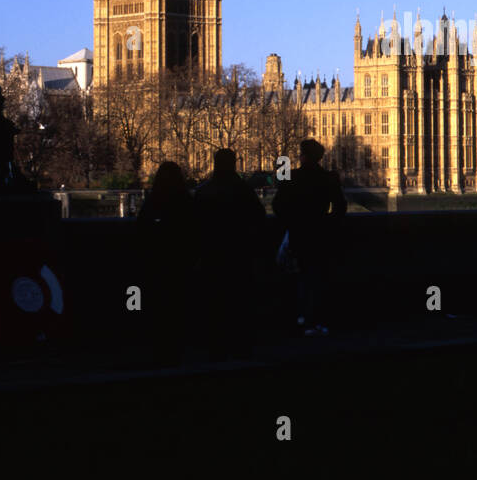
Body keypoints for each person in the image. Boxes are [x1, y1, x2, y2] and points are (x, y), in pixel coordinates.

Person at [193, 148, 267, 358]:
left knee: (215, 302)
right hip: (238, 254)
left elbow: (194, 226)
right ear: (234, 164)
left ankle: (215, 344)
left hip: (212, 255)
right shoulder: (243, 190)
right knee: (238, 302)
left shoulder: (204, 191)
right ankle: (239, 344)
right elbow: (258, 219)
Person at [271, 139, 347, 336]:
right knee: (319, 277)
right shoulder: (329, 177)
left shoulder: (292, 176)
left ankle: (301, 319)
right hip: (320, 234)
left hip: (299, 234)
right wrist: (327, 223)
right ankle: (318, 320)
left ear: (303, 156)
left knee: (300, 277)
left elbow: (277, 205)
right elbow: (341, 207)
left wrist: (292, 222)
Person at [136, 161, 197, 364]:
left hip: (157, 265)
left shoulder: (153, 201)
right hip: (180, 264)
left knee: (158, 308)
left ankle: (159, 347)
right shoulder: (186, 202)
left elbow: (142, 231)